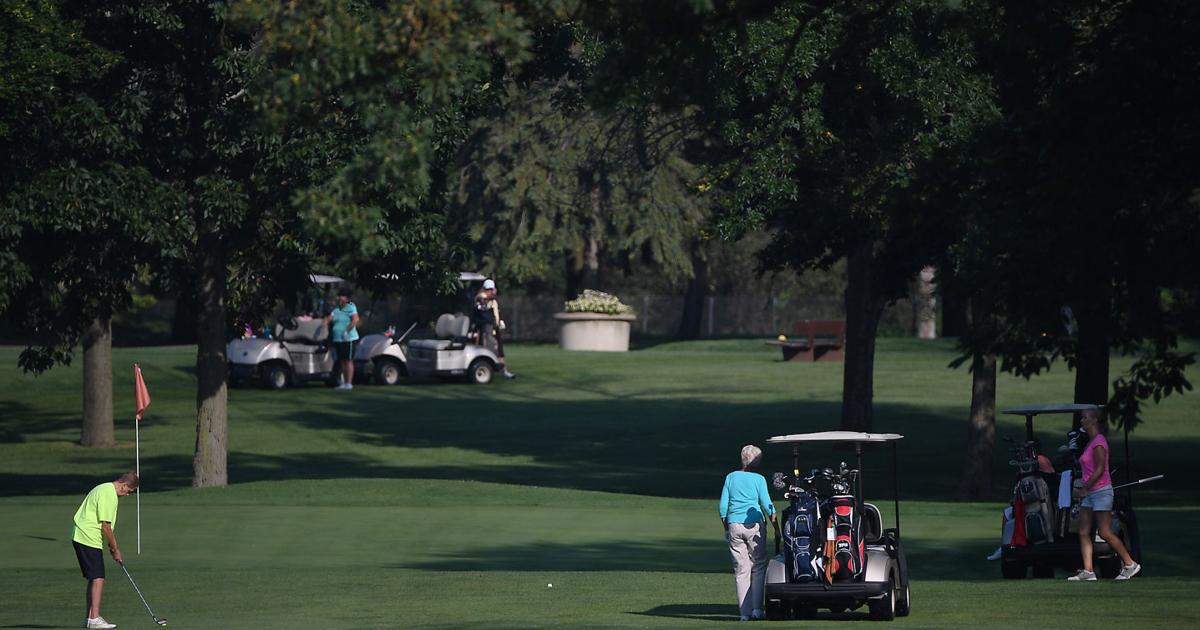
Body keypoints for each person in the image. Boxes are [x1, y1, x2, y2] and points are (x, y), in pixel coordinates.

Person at [1067, 407, 1141, 581]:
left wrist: (1086, 487)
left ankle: (1130, 564)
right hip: (1090, 493)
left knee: (1105, 532)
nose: (1082, 421)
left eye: (1085, 418)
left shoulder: (1099, 442)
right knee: (1083, 531)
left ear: (1094, 420)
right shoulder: (1090, 442)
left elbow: (1100, 469)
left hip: (1101, 492)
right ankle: (1088, 572)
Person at [718, 445, 780, 621]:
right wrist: (777, 529)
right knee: (758, 567)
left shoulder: (731, 477)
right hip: (755, 525)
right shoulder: (759, 479)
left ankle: (744, 614)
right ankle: (757, 610)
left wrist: (727, 528)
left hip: (734, 524)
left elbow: (722, 508)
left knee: (741, 570)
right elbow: (768, 505)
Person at [71, 472, 139, 629]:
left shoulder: (104, 488)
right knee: (98, 578)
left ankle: (90, 619)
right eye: (129, 491)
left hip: (84, 536)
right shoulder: (109, 494)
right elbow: (106, 526)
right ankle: (94, 619)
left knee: (94, 578)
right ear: (123, 485)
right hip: (87, 536)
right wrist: (115, 549)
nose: (127, 494)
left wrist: (110, 546)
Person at [474, 278, 514, 378]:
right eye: (488, 290)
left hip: (494, 328)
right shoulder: (481, 299)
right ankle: (486, 370)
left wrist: (499, 321)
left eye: (491, 289)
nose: (490, 292)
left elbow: (495, 312)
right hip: (486, 329)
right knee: (490, 349)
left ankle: (503, 370)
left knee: (499, 350)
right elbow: (483, 312)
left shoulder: (493, 300)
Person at [326, 287, 360, 390]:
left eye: (341, 296)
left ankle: (349, 384)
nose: (339, 298)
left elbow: (355, 320)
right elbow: (328, 319)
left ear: (346, 298)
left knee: (348, 360)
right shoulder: (336, 309)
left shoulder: (351, 307)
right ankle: (344, 383)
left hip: (348, 339)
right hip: (338, 339)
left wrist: (346, 331)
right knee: (342, 361)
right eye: (339, 296)